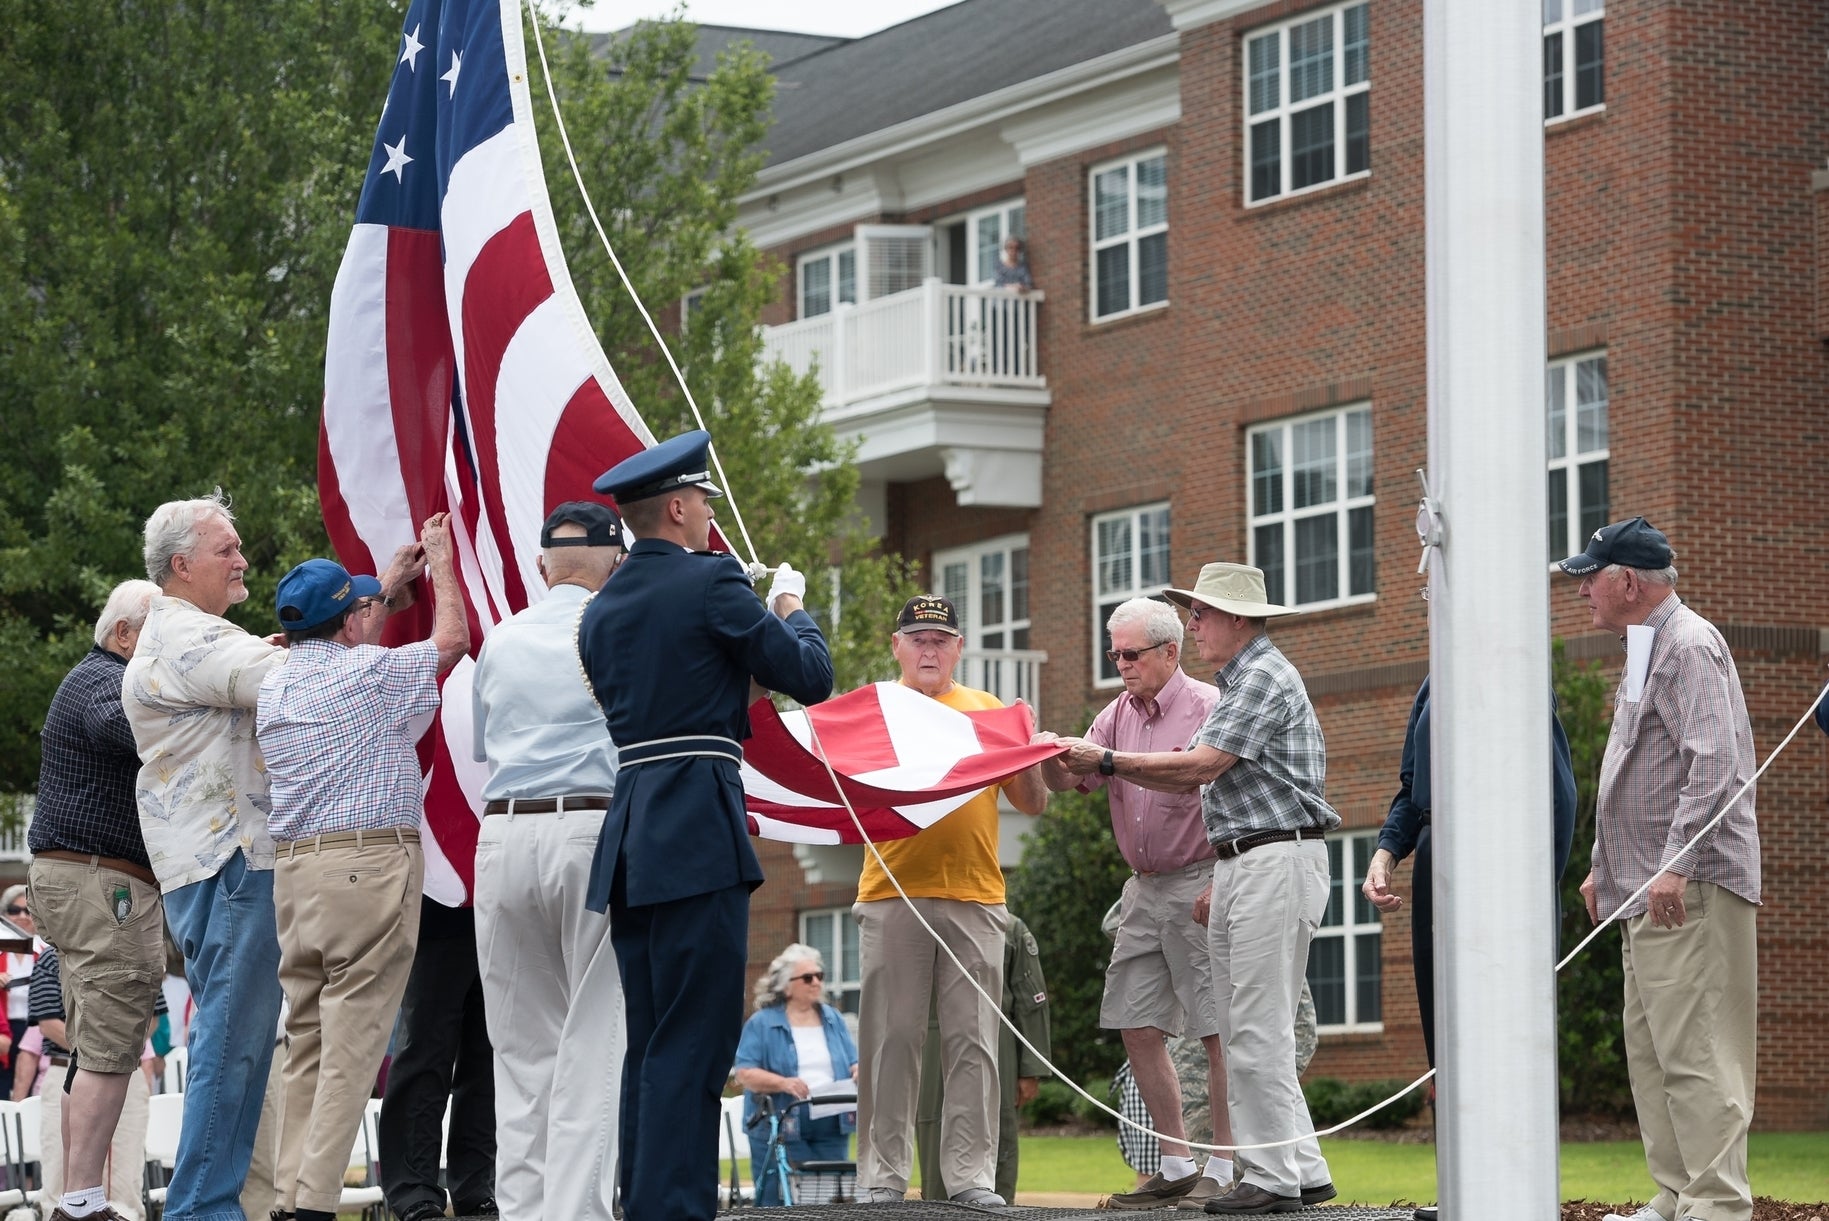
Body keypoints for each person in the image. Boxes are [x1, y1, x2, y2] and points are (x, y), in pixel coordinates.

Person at [578, 429, 833, 1221]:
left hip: (633, 833)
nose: (711, 521)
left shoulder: (601, 609)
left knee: (652, 1037)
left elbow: (684, 688)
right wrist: (788, 603)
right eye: (706, 506)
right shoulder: (713, 580)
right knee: (695, 1037)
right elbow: (810, 677)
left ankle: (646, 1199)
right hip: (694, 827)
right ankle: (673, 1209)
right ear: (680, 507)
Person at [1060, 562, 1339, 1215]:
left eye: (1200, 613)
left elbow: (1200, 766)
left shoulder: (1262, 677)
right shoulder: (1244, 678)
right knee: (1248, 1022)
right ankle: (1298, 1164)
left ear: (1235, 618)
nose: (1193, 624)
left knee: (1253, 1026)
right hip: (1251, 858)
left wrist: (1102, 759)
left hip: (1273, 856)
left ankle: (1270, 1175)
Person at [1554, 518, 1761, 1221]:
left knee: (1698, 1046)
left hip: (1687, 886)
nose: (1582, 588)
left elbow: (1714, 762)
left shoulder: (1689, 644)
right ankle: (1677, 1194)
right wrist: (1600, 864)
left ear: (1628, 582)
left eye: (1591, 576)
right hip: (1645, 887)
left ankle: (1716, 1204)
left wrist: (1673, 863)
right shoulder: (1645, 646)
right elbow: (1631, 763)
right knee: (1653, 1049)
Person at [257, 519, 463, 1221]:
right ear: (349, 621)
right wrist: (439, 565)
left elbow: (348, 654)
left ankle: (289, 1195)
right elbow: (452, 644)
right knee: (353, 1044)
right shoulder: (369, 671)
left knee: (308, 1043)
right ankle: (311, 1206)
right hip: (367, 863)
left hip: (297, 875)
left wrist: (386, 590)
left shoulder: (275, 684)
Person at [123, 491, 289, 1221]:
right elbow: (285, 681)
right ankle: (200, 1207)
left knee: (240, 1039)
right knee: (232, 1039)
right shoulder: (188, 637)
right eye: (228, 548)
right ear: (182, 565)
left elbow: (257, 669)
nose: (243, 558)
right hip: (230, 864)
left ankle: (208, 1201)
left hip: (219, 864)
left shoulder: (187, 636)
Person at [1035, 596, 1232, 1210]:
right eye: (1113, 653)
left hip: (1203, 876)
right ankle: (1174, 1160)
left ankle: (1224, 1167)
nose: (1120, 663)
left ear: (1170, 652)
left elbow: (1231, 794)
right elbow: (1071, 782)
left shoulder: (1209, 707)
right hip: (1142, 886)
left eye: (1130, 653)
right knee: (1134, 1021)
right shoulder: (1116, 713)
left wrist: (1222, 878)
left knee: (1214, 1029)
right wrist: (1046, 754)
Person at [853, 594, 1048, 1208]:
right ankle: (882, 1180)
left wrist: (1029, 743)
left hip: (975, 895)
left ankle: (970, 1179)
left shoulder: (988, 712)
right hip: (890, 893)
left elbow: (1033, 803)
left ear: (959, 648)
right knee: (891, 1041)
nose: (929, 649)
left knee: (974, 1043)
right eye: (917, 639)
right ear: (896, 646)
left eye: (940, 640)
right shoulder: (872, 710)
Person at [471, 500, 628, 1221]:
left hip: (504, 832)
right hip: (587, 824)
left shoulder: (501, 637)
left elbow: (484, 745)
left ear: (543, 563)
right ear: (613, 561)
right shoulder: (612, 625)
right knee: (591, 1040)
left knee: (520, 1051)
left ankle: (525, 1210)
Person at [25, 578, 163, 1221]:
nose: (169, 652)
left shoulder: (93, 675)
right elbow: (133, 729)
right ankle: (80, 1204)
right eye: (159, 637)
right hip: (100, 881)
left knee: (98, 1049)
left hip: (82, 879)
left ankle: (77, 1199)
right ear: (126, 635)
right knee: (112, 1049)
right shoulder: (105, 681)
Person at [915, 911, 1051, 1204]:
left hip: (995, 1038)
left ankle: (997, 1208)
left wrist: (1030, 1068)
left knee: (995, 1127)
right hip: (931, 1039)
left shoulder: (1009, 926)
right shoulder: (916, 918)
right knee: (932, 1128)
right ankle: (937, 1209)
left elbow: (1031, 999)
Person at [379, 902, 497, 1221]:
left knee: (488, 1059)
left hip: (497, 912)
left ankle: (477, 1185)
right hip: (438, 905)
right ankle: (412, 1186)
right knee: (425, 1050)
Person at [25, 941, 158, 1221]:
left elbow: (153, 1016)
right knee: (62, 1180)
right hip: (68, 1069)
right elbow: (47, 1023)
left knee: (125, 1178)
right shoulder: (51, 957)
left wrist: (112, 1054)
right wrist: (96, 1057)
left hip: (126, 1071)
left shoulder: (134, 950)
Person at [733, 944, 859, 1207]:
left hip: (831, 1122)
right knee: (778, 1200)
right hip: (783, 1123)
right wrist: (783, 1083)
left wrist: (858, 1070)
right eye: (807, 977)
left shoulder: (833, 1018)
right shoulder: (762, 1023)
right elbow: (744, 1073)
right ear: (785, 986)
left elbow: (853, 1061)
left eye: (819, 976)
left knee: (830, 1201)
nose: (816, 982)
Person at [1, 883, 35, 1098]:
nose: (22, 915)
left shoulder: (48, 951)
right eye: (15, 910)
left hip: (38, 1030)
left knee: (32, 1095)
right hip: (4, 1029)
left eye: (28, 910)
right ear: (4, 915)